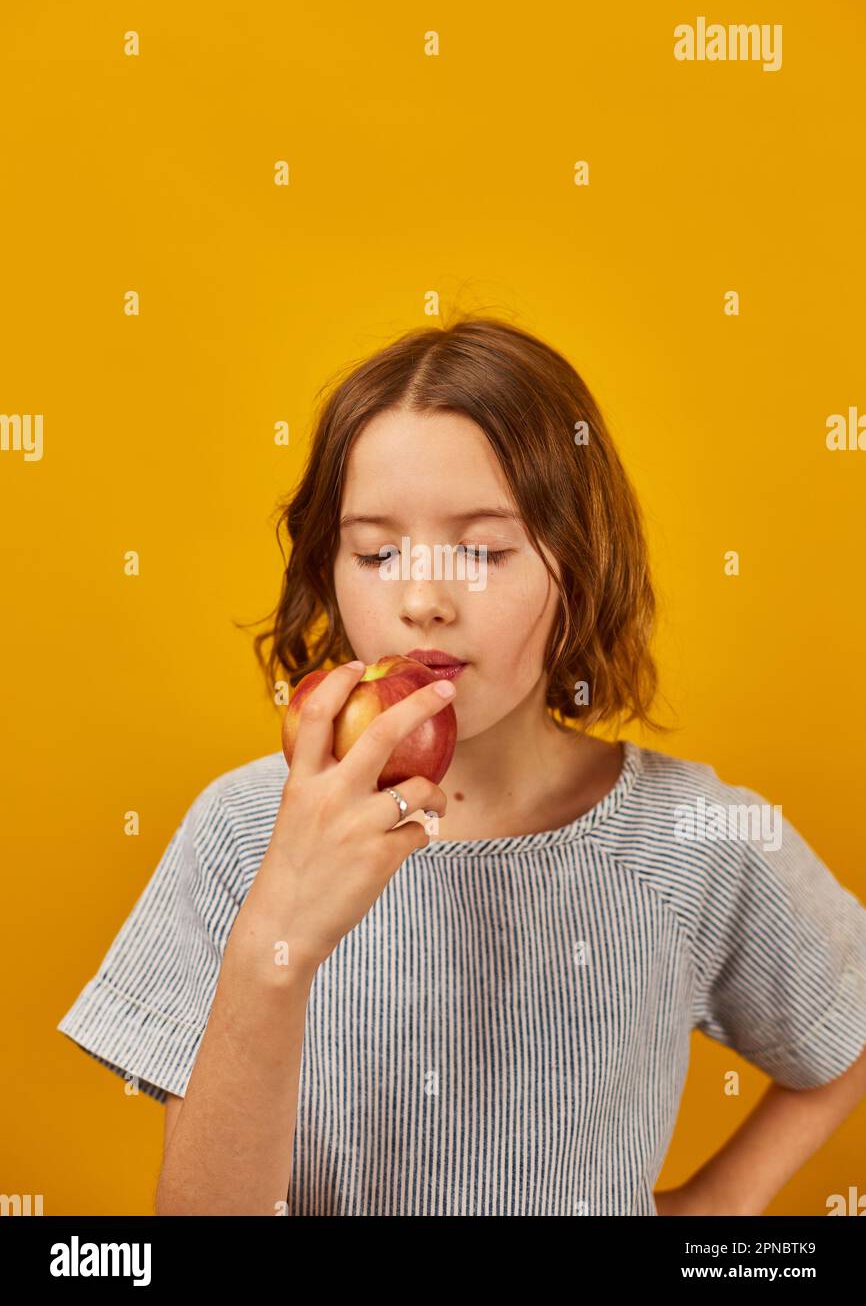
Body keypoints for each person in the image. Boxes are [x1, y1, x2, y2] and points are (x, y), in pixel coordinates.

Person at [56, 315, 866, 1216]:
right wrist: (274, 948)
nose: (423, 600)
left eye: (483, 549)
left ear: (579, 567)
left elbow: (850, 1016)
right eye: (376, 552)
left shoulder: (688, 840)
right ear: (330, 570)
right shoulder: (244, 831)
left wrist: (717, 1209)